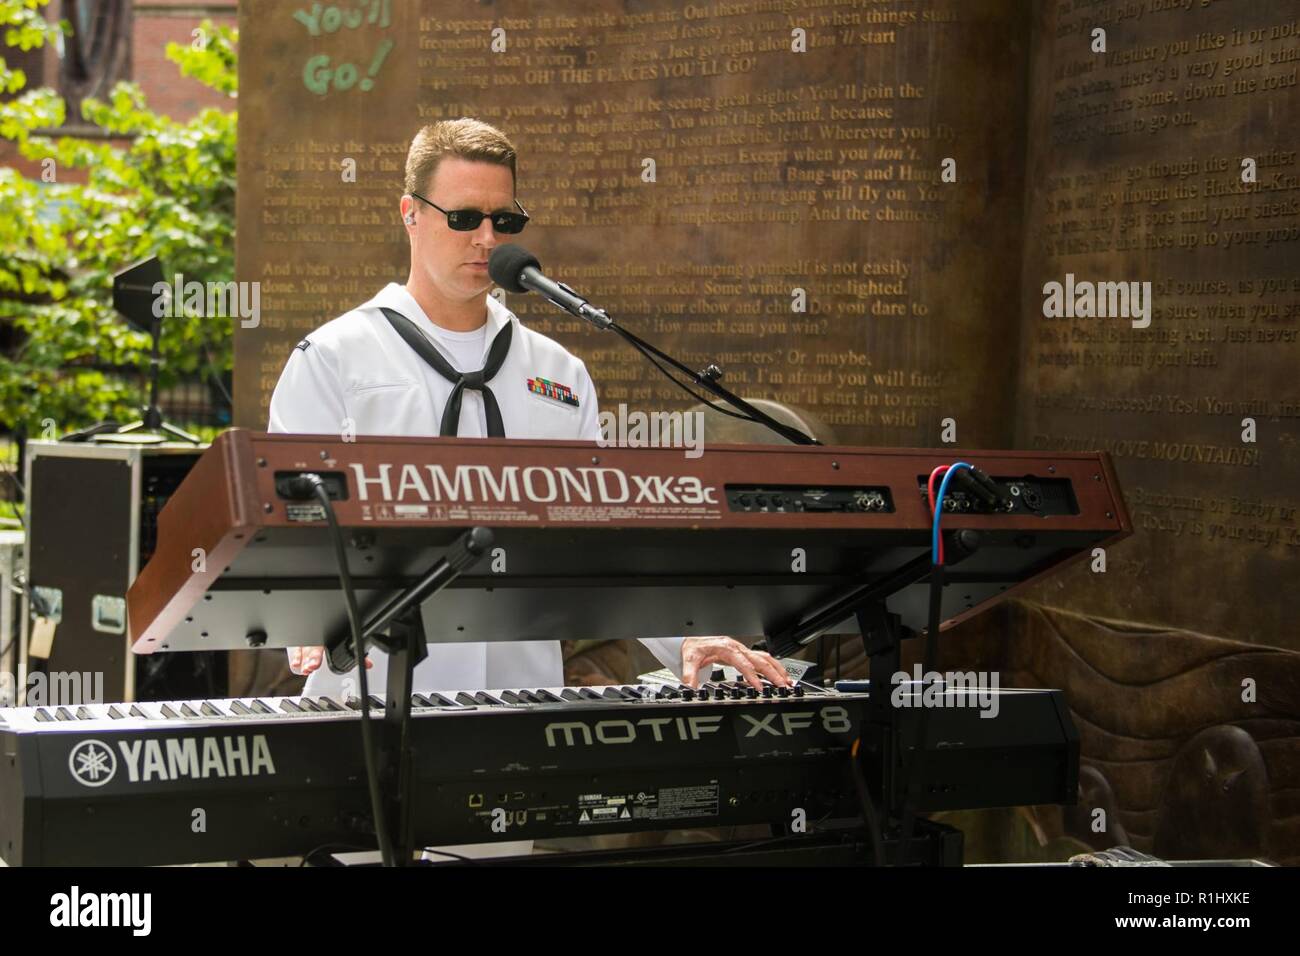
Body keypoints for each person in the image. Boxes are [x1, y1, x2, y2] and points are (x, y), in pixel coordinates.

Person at [267, 118, 791, 701]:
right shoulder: (333, 358)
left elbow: (600, 536)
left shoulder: (558, 373)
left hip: (516, 700)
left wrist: (685, 638)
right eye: (464, 218)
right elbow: (289, 525)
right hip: (366, 698)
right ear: (410, 214)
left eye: (505, 221)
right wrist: (304, 617)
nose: (487, 239)